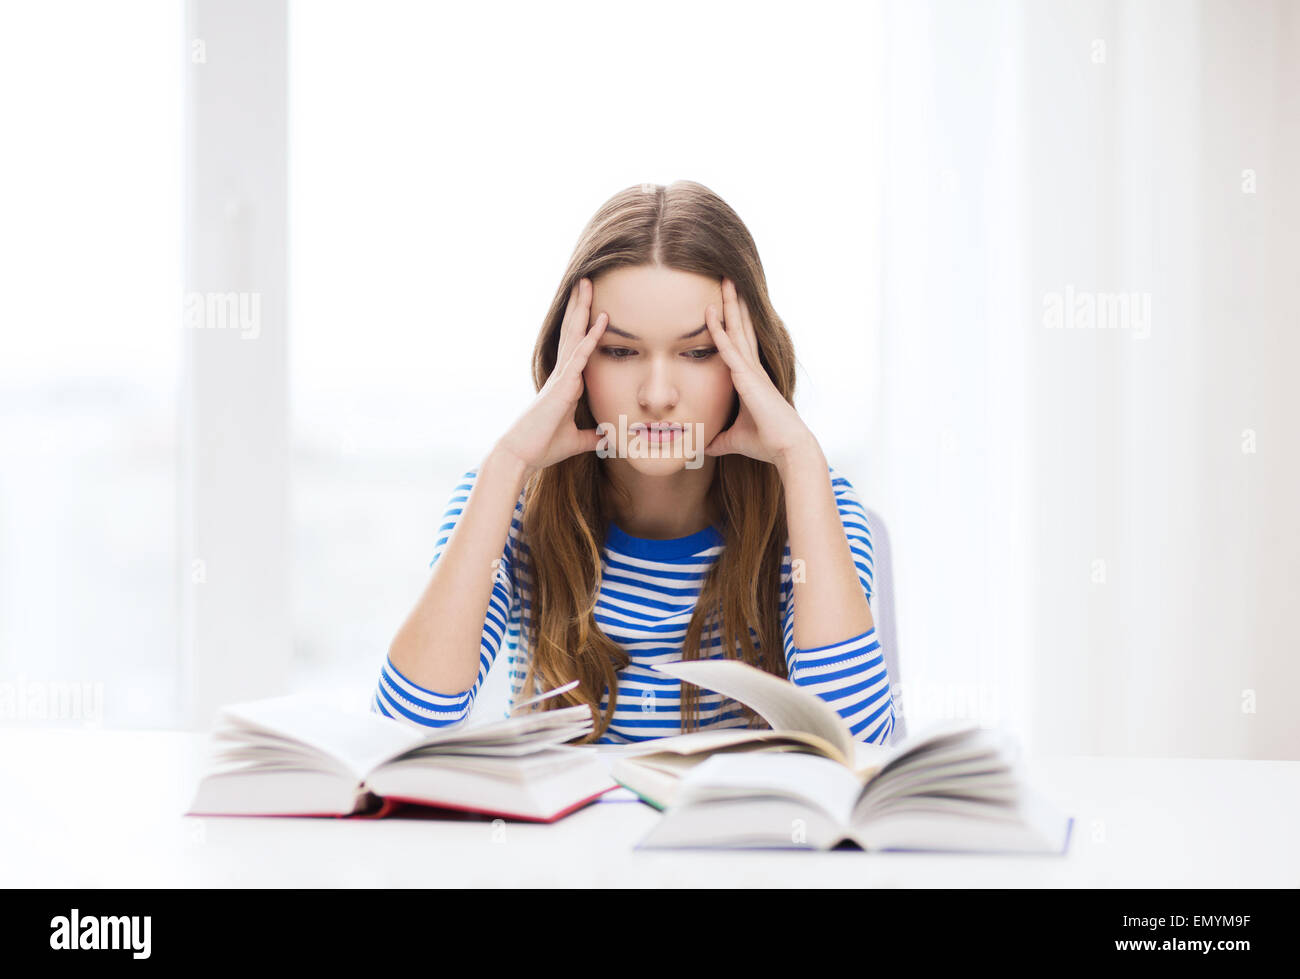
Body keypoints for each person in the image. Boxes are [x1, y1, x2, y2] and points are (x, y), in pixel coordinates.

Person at [372, 180, 895, 746]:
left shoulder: (816, 505)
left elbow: (858, 747)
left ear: (752, 361)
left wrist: (798, 458)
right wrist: (507, 464)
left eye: (698, 352)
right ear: (570, 360)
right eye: (620, 351)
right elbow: (401, 734)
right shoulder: (510, 502)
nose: (657, 394)